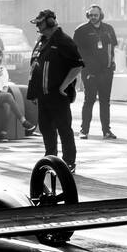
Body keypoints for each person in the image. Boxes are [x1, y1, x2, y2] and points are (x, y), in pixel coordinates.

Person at [26, 10, 84, 173]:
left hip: (58, 95)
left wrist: (64, 86)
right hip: (43, 94)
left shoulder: (64, 40)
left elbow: (77, 65)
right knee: (45, 128)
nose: (37, 25)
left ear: (51, 22)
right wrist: (34, 92)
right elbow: (35, 66)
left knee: (64, 128)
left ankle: (69, 163)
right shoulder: (42, 40)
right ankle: (50, 158)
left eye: (40, 22)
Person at [73, 4, 118, 140]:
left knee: (105, 102)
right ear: (88, 15)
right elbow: (75, 51)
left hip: (106, 71)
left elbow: (112, 49)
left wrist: (112, 64)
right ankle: (84, 130)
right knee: (89, 100)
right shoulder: (81, 30)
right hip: (89, 72)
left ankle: (106, 131)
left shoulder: (109, 29)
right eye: (91, 15)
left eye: (96, 15)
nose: (93, 17)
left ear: (101, 15)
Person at [0, 45, 35, 133]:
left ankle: (3, 133)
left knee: (6, 104)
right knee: (8, 96)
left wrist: (2, 93)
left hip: (1, 94)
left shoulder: (3, 69)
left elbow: (5, 86)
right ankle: (23, 121)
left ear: (0, 57)